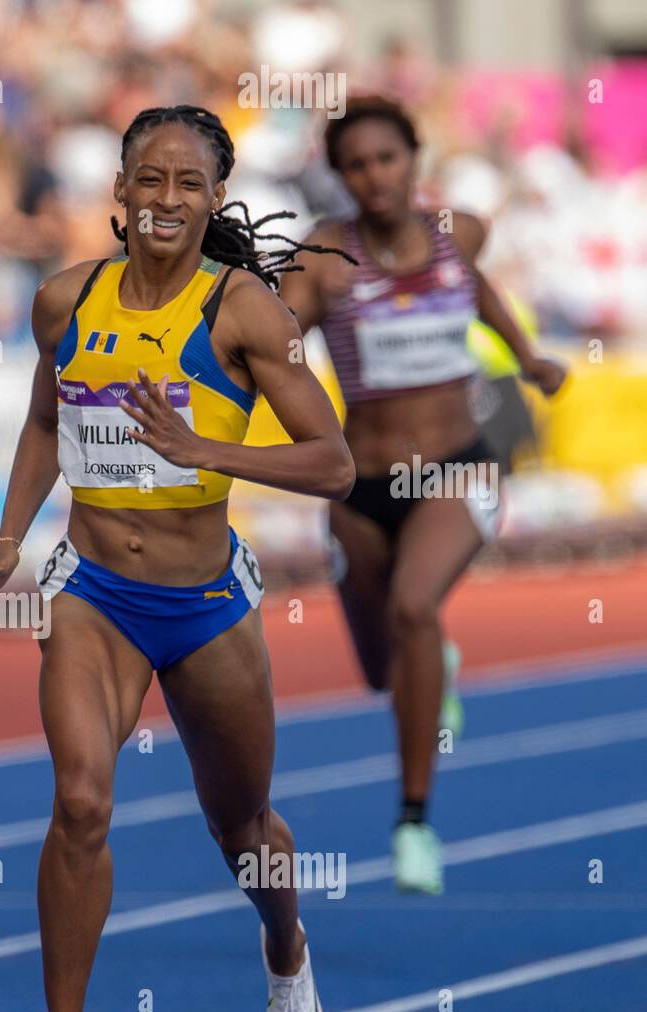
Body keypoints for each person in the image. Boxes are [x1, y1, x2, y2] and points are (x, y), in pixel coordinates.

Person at [0, 105, 356, 1012]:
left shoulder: (244, 314)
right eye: (149, 178)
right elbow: (47, 421)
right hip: (93, 590)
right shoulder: (62, 301)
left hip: (205, 601)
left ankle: (284, 946)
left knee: (244, 827)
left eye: (188, 182)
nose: (166, 199)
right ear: (118, 192)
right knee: (81, 797)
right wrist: (5, 543)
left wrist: (204, 443)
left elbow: (332, 463)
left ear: (215, 198)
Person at [278, 96, 566, 895]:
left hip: (457, 467)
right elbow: (272, 343)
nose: (375, 176)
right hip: (357, 485)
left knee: (412, 604)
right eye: (357, 165)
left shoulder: (459, 231)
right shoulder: (325, 260)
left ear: (416, 159)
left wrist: (527, 356)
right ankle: (430, 660)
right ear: (339, 178)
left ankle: (413, 823)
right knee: (381, 672)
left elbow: (473, 287)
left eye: (388, 158)